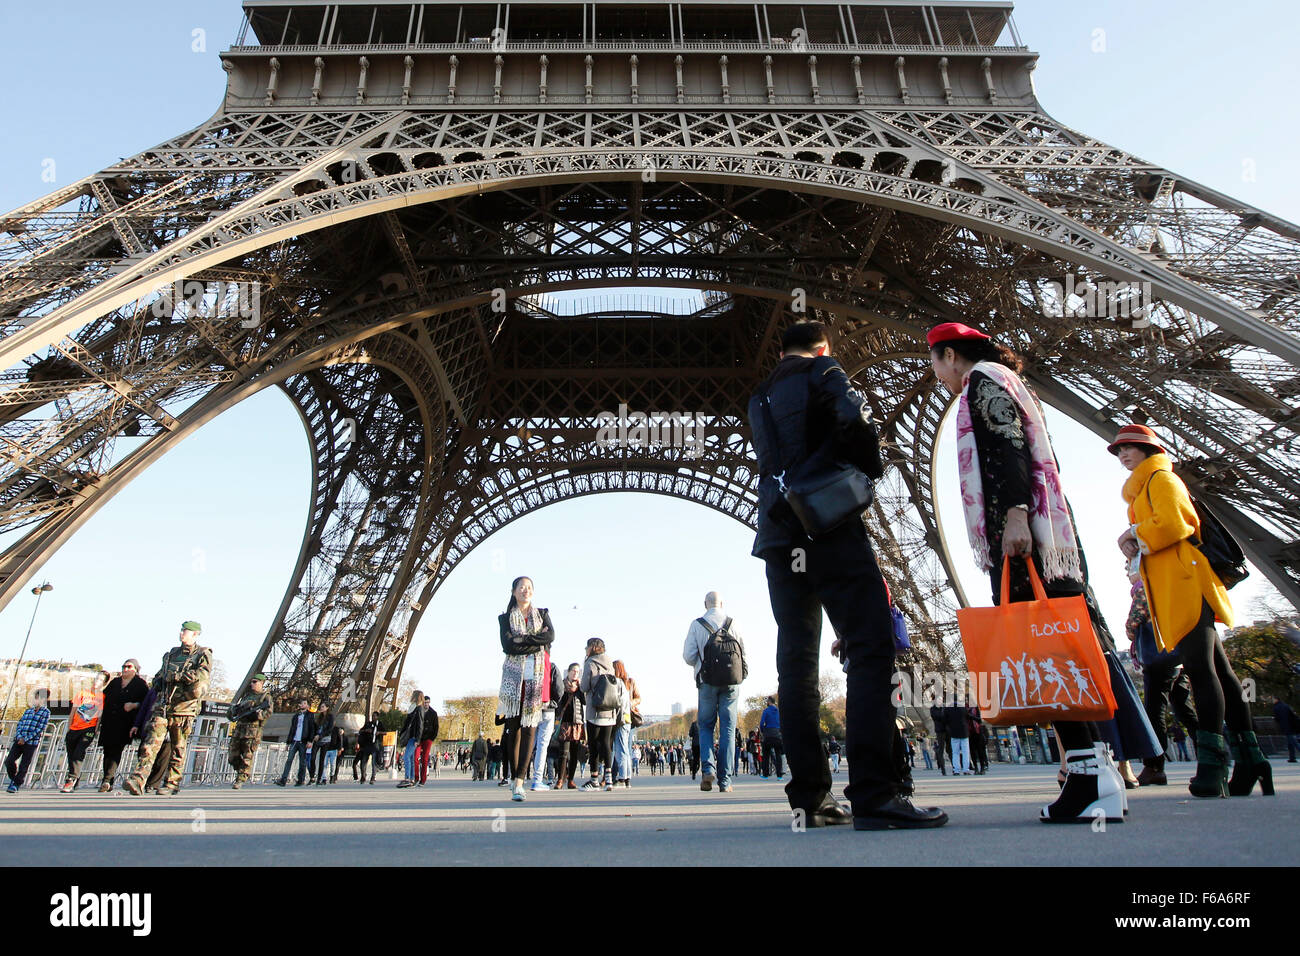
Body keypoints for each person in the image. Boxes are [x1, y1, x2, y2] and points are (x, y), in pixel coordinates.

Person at [930, 322, 1142, 823]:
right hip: (1052, 536)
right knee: (1059, 648)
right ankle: (1098, 772)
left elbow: (1007, 449)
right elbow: (1038, 453)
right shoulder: (1008, 381)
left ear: (951, 355)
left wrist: (1016, 515)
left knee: (1043, 649)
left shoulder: (984, 382)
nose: (935, 373)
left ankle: (1088, 777)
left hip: (1024, 537)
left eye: (935, 362)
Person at [749, 321, 945, 830]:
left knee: (795, 667)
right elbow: (853, 422)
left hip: (778, 536)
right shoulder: (823, 369)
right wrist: (869, 466)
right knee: (870, 646)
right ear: (821, 347)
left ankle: (809, 799)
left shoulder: (758, 396)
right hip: (828, 526)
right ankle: (875, 794)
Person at [1112, 422, 1273, 798]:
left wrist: (1133, 535)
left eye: (1131, 447)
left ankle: (1212, 763)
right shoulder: (1143, 489)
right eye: (1119, 449)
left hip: (1186, 584)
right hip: (1176, 586)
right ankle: (1251, 759)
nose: (1123, 454)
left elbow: (1178, 522)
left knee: (1202, 672)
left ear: (1150, 450)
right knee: (1221, 673)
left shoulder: (1161, 481)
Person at [1125, 569, 1199, 786]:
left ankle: (1154, 765)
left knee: (1154, 711)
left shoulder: (1143, 588)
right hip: (1177, 655)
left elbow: (1133, 623)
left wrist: (1131, 631)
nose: (1128, 574)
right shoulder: (1167, 582)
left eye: (1129, 568)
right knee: (1185, 709)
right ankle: (1211, 753)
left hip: (1158, 657)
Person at [125, 621, 213, 796]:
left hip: (184, 708)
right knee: (151, 743)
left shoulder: (203, 654)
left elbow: (202, 677)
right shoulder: (171, 654)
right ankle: (139, 778)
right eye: (181, 630)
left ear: (195, 634)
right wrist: (160, 681)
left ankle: (172, 782)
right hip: (164, 706)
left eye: (185, 631)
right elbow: (159, 677)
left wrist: (179, 677)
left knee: (178, 747)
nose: (181, 633)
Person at [496, 575, 556, 802]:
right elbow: (507, 645)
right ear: (513, 592)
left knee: (530, 728)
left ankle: (520, 780)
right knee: (514, 729)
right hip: (514, 679)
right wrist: (535, 641)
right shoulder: (505, 619)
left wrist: (522, 640)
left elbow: (550, 636)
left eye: (529, 587)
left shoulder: (543, 614)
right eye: (521, 587)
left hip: (536, 679)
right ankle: (514, 776)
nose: (525, 591)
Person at [683, 590, 747, 793]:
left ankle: (708, 768)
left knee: (706, 727)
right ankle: (725, 780)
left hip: (707, 681)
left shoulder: (697, 624)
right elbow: (743, 653)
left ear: (705, 604)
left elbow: (688, 657)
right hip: (731, 681)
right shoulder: (733, 623)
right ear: (722, 603)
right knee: (728, 729)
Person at [97, 659, 148, 792]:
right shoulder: (115, 682)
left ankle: (107, 780)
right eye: (123, 666)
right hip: (109, 720)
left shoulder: (140, 684)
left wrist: (134, 705)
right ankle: (107, 779)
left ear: (135, 669)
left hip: (125, 722)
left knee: (116, 749)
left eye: (128, 666)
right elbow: (103, 699)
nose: (125, 669)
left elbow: (146, 704)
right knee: (107, 750)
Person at [580, 638, 622, 791]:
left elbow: (584, 686)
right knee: (606, 744)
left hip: (595, 709)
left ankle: (594, 779)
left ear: (593, 647)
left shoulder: (590, 663)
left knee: (593, 745)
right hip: (610, 709)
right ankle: (609, 779)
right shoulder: (610, 663)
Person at [61, 671, 109, 792]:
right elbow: (73, 711)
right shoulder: (82, 694)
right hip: (74, 728)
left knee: (79, 753)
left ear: (104, 683)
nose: (96, 682)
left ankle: (70, 780)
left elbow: (99, 716)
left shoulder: (102, 697)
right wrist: (69, 727)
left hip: (88, 729)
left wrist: (95, 730)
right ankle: (76, 778)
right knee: (71, 755)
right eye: (96, 679)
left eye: (100, 680)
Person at [227, 673, 273, 788]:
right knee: (232, 756)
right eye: (251, 682)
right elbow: (237, 709)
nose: (252, 684)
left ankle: (241, 778)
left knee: (247, 755)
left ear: (261, 683)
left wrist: (258, 715)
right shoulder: (247, 696)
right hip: (239, 728)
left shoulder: (265, 697)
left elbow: (268, 712)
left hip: (252, 730)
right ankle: (241, 771)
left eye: (255, 682)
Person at [5, 688, 51, 793]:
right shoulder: (28, 711)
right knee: (9, 761)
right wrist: (19, 736)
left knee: (24, 764)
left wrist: (26, 739)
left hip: (31, 742)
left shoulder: (45, 712)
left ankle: (16, 784)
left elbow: (40, 728)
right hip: (19, 740)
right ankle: (14, 778)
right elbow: (20, 724)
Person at [530, 661, 564, 791]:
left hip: (531, 709)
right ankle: (537, 779)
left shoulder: (528, 663)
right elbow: (559, 689)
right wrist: (554, 702)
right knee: (542, 746)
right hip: (547, 708)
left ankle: (517, 778)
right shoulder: (551, 666)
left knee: (528, 744)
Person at [555, 664, 585, 790]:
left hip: (577, 722)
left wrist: (582, 688)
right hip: (565, 722)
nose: (575, 673)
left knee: (574, 754)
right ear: (568, 671)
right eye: (573, 671)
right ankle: (560, 779)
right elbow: (558, 700)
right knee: (563, 753)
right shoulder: (562, 684)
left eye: (577, 672)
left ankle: (571, 780)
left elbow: (585, 701)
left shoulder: (580, 688)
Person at [275, 699, 317, 787]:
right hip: (294, 741)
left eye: (305, 703)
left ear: (308, 705)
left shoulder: (310, 715)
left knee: (302, 761)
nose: (302, 704)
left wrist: (310, 741)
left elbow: (312, 729)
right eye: (301, 703)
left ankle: (300, 780)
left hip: (303, 741)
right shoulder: (296, 716)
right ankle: (284, 779)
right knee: (289, 760)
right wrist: (288, 742)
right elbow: (292, 729)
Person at [612, 661, 636, 788]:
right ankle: (626, 778)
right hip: (627, 720)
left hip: (621, 720)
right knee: (625, 750)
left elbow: (618, 702)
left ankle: (622, 778)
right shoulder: (626, 685)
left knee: (620, 750)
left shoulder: (617, 683)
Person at [397, 689, 424, 788]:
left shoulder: (418, 708)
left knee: (407, 757)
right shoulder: (414, 708)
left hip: (413, 737)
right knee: (411, 758)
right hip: (412, 736)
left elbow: (420, 725)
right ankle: (411, 778)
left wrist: (418, 739)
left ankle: (408, 778)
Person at [309, 702, 336, 785]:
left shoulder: (330, 717)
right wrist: (313, 737)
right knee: (312, 758)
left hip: (325, 740)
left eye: (323, 706)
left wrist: (320, 735)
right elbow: (314, 728)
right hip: (317, 739)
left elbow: (330, 729)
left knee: (322, 759)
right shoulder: (318, 717)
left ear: (327, 708)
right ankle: (312, 776)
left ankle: (319, 778)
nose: (321, 708)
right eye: (321, 706)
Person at [758, 697, 785, 779]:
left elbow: (762, 723)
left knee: (766, 755)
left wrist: (763, 731)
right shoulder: (779, 711)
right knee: (778, 754)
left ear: (769, 702)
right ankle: (779, 775)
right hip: (777, 734)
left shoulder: (766, 711)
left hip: (768, 734)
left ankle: (766, 774)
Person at [416, 696, 440, 785]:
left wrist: (432, 738)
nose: (426, 704)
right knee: (415, 758)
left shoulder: (433, 713)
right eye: (425, 702)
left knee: (425, 759)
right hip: (419, 738)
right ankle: (416, 777)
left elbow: (436, 727)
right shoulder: (418, 711)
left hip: (428, 738)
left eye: (427, 703)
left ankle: (423, 779)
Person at [356, 712, 382, 784]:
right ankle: (363, 776)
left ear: (377, 717)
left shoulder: (379, 724)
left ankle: (373, 777)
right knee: (363, 761)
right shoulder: (368, 724)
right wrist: (366, 730)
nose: (373, 717)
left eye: (374, 716)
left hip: (375, 745)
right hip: (367, 745)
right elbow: (360, 731)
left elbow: (385, 732)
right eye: (372, 716)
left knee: (374, 762)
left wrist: (379, 733)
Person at [1273, 698, 1299, 763]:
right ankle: (1292, 757)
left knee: (1293, 742)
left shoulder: (1277, 707)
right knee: (1290, 743)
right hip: (1291, 726)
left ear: (1277, 699)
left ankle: (1292, 757)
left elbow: (1277, 718)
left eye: (1273, 699)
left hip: (1286, 726)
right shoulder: (1285, 705)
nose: (1272, 701)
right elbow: (1292, 715)